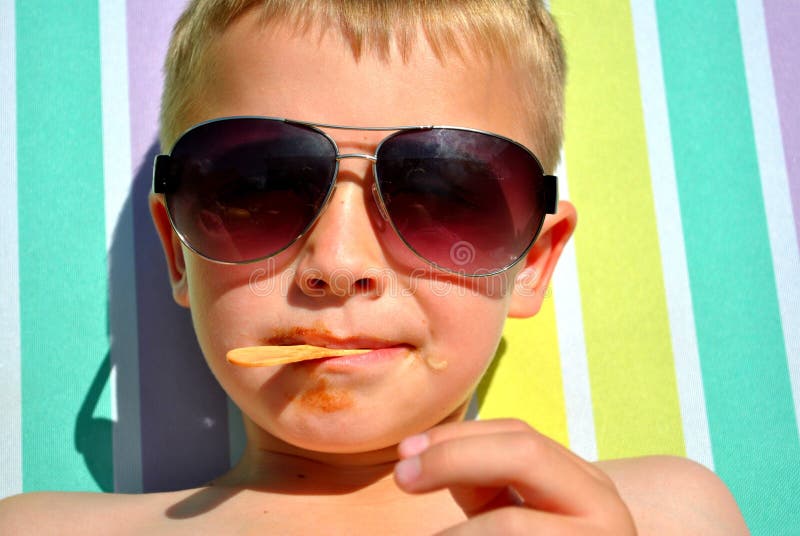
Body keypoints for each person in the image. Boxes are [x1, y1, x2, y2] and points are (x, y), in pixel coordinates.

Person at [0, 1, 749, 533]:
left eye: (441, 190)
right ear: (177, 249)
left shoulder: (661, 516)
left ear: (533, 259)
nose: (339, 262)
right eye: (259, 187)